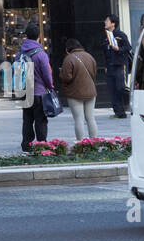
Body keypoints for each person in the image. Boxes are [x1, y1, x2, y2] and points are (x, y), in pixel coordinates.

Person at [19, 24, 53, 152]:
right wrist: (50, 86)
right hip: (39, 92)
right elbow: (47, 74)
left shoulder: (20, 53)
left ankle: (26, 145)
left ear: (26, 36)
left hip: (25, 91)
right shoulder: (41, 54)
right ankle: (41, 144)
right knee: (40, 120)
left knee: (27, 120)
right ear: (39, 36)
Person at [59, 38, 99, 141]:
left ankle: (81, 144)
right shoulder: (90, 56)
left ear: (68, 48)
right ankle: (94, 143)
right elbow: (94, 74)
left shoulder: (69, 59)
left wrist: (61, 73)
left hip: (75, 93)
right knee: (90, 118)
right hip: (90, 91)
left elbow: (66, 77)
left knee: (79, 119)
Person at [103, 13, 133, 119]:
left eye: (107, 21)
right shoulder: (107, 37)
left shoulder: (120, 35)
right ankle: (118, 112)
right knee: (112, 89)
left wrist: (119, 49)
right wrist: (106, 66)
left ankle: (129, 106)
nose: (105, 22)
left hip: (120, 65)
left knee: (120, 87)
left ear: (113, 23)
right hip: (110, 66)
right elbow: (105, 53)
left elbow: (128, 47)